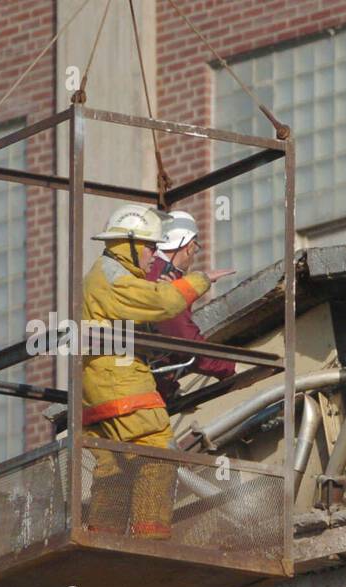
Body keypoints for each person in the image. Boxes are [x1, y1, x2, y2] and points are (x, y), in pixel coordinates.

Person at [79, 203, 234, 539]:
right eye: (150, 246)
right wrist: (200, 280)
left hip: (97, 392)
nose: (154, 254)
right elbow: (162, 304)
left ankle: (104, 538)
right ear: (130, 244)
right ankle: (151, 538)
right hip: (123, 387)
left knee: (112, 470)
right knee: (159, 454)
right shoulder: (114, 277)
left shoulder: (104, 275)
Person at [144, 209, 237, 401]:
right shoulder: (160, 276)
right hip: (141, 391)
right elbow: (183, 338)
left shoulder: (148, 272)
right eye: (196, 249)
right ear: (189, 246)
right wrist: (228, 368)